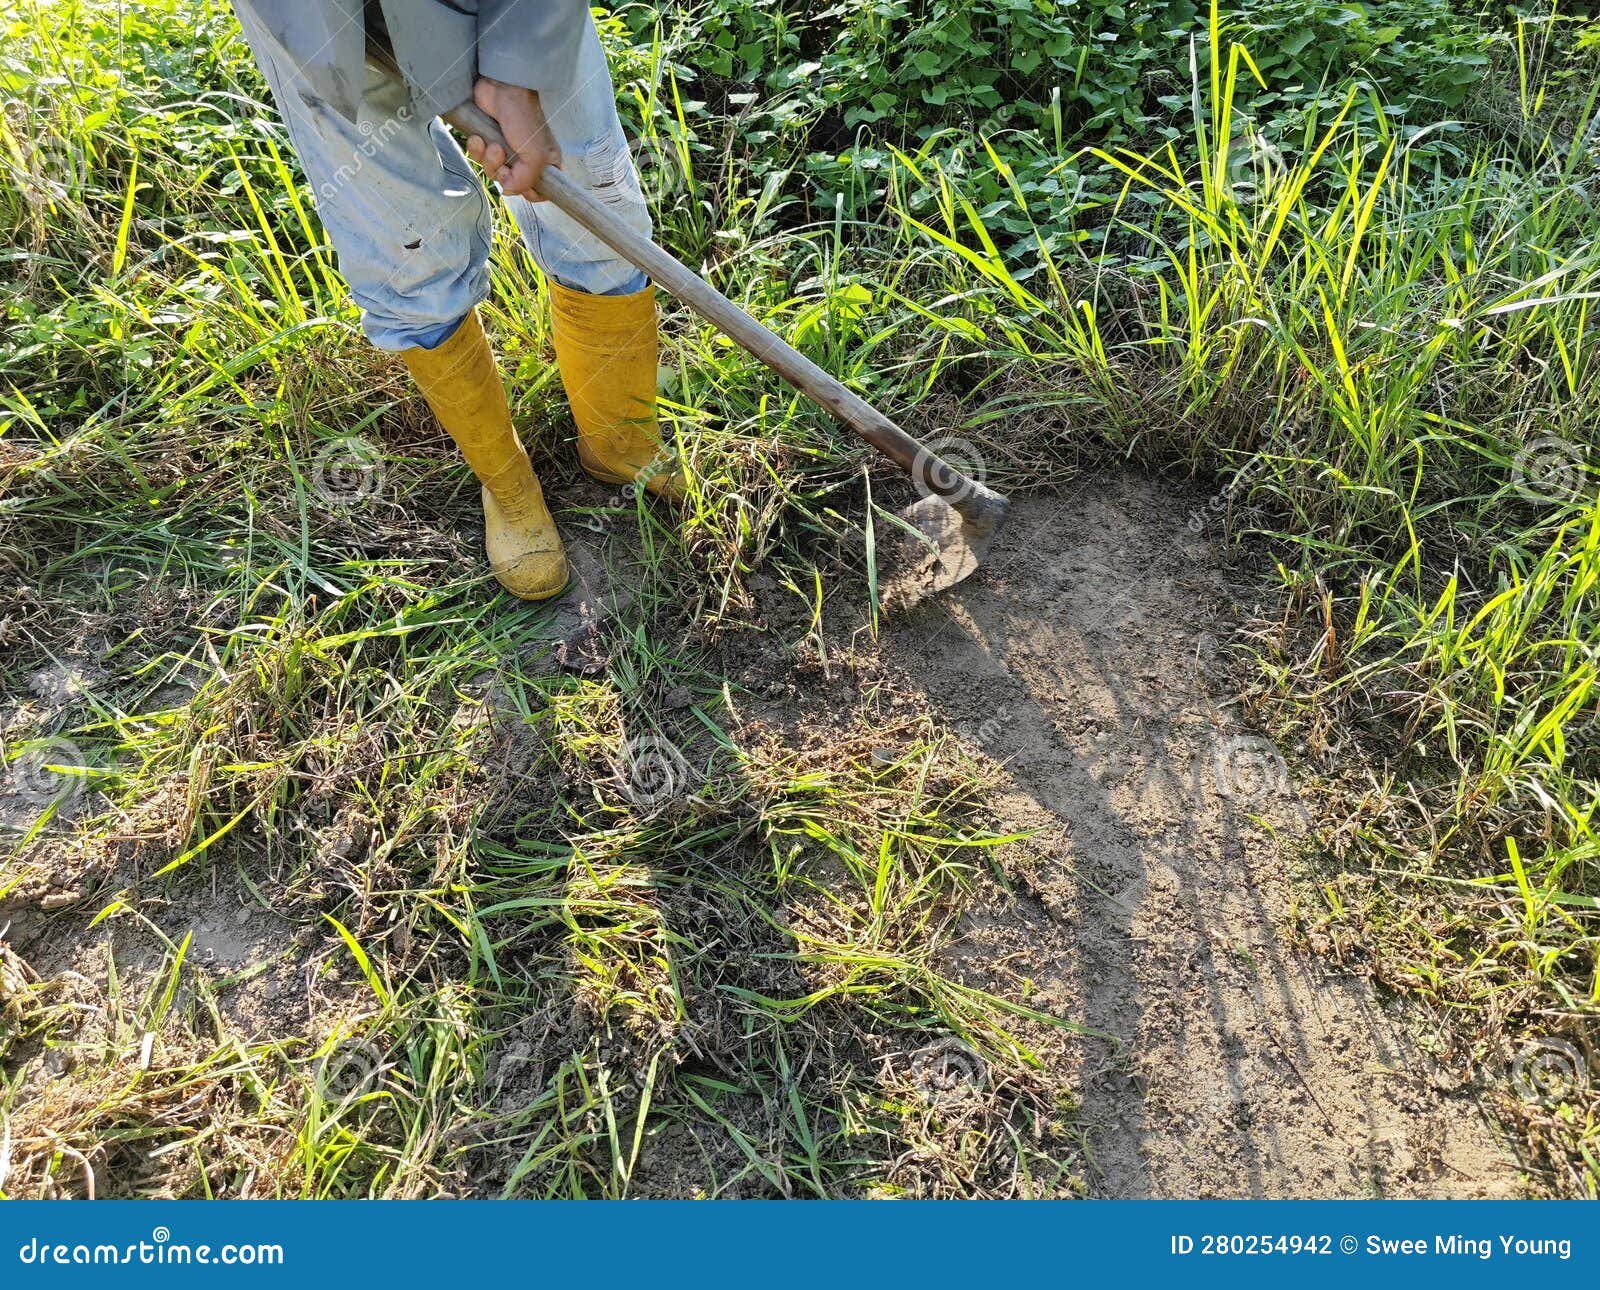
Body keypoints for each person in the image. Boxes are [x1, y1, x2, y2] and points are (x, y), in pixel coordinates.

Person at [230, 0, 683, 601]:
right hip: (316, 20)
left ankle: (619, 441)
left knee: (597, 206)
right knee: (404, 249)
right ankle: (508, 486)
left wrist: (519, 66)